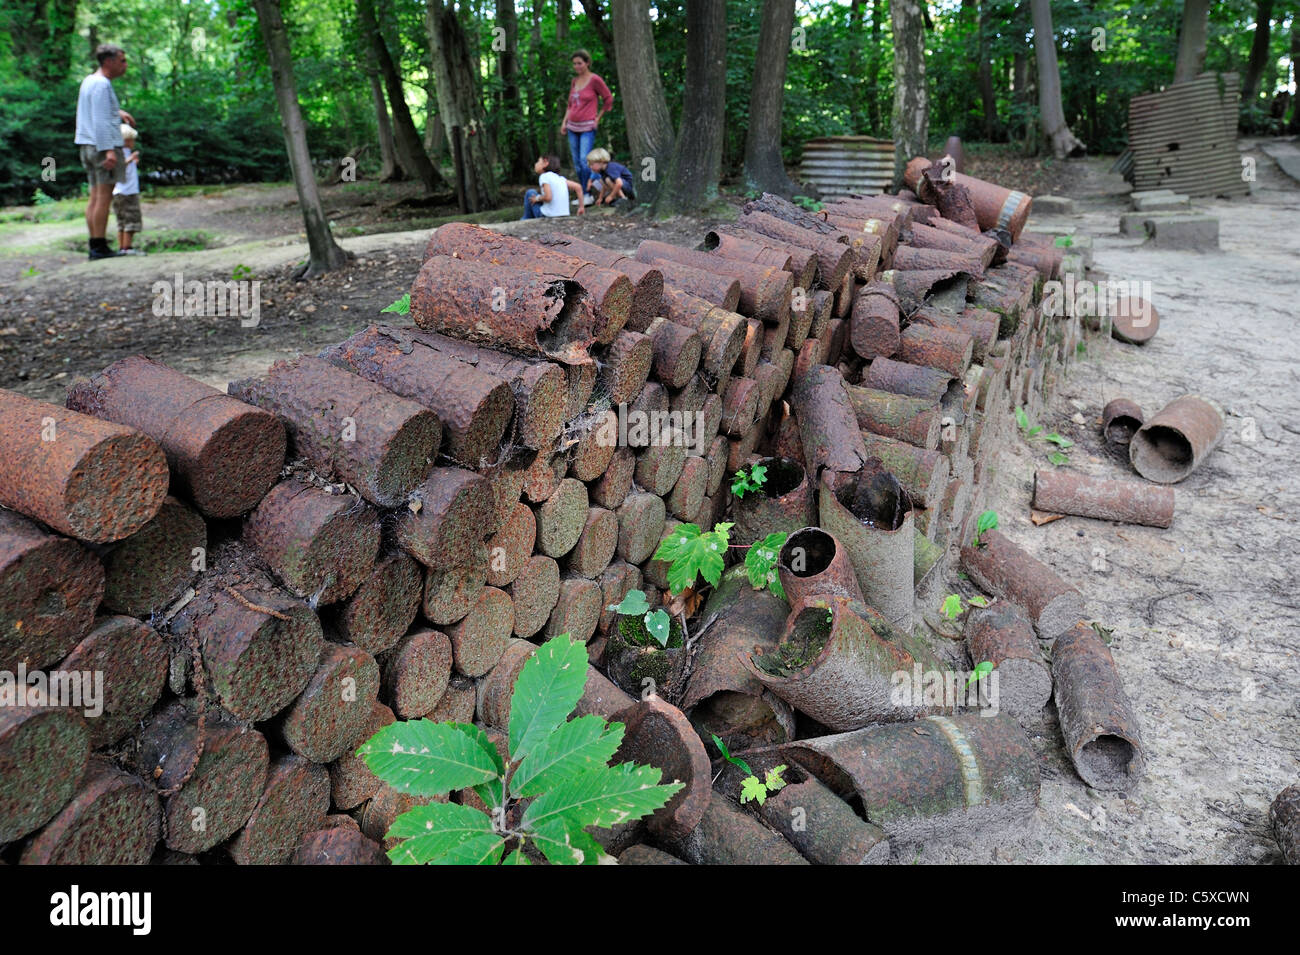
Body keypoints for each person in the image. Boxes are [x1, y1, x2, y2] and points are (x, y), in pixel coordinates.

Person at [74, 44, 135, 260]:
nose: (125, 65)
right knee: (103, 198)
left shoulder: (90, 81)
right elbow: (99, 120)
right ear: (108, 61)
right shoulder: (102, 85)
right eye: (122, 60)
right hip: (101, 146)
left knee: (94, 197)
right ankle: (99, 247)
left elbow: (96, 110)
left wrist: (117, 112)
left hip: (87, 146)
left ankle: (95, 244)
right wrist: (109, 150)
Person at [558, 50, 612, 204]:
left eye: (579, 63)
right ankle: (584, 194)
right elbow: (570, 105)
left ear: (587, 63)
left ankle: (591, 189)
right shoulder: (574, 81)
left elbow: (608, 98)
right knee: (576, 162)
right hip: (572, 126)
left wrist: (598, 118)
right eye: (574, 64)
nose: (577, 66)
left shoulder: (595, 80)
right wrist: (564, 123)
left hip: (588, 126)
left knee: (584, 160)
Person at [522, 154, 585, 220]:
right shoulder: (560, 178)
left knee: (531, 192)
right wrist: (581, 207)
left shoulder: (544, 176)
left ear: (545, 163)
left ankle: (525, 219)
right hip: (564, 215)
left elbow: (548, 197)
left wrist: (537, 198)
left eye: (538, 161)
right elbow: (578, 187)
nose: (536, 164)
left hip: (548, 216)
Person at [112, 125, 144, 255]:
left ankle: (122, 248)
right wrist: (130, 159)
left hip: (120, 192)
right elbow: (118, 166)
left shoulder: (123, 153)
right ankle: (127, 247)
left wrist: (132, 162)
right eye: (131, 140)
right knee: (130, 220)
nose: (133, 143)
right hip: (127, 192)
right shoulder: (120, 153)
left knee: (122, 222)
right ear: (124, 140)